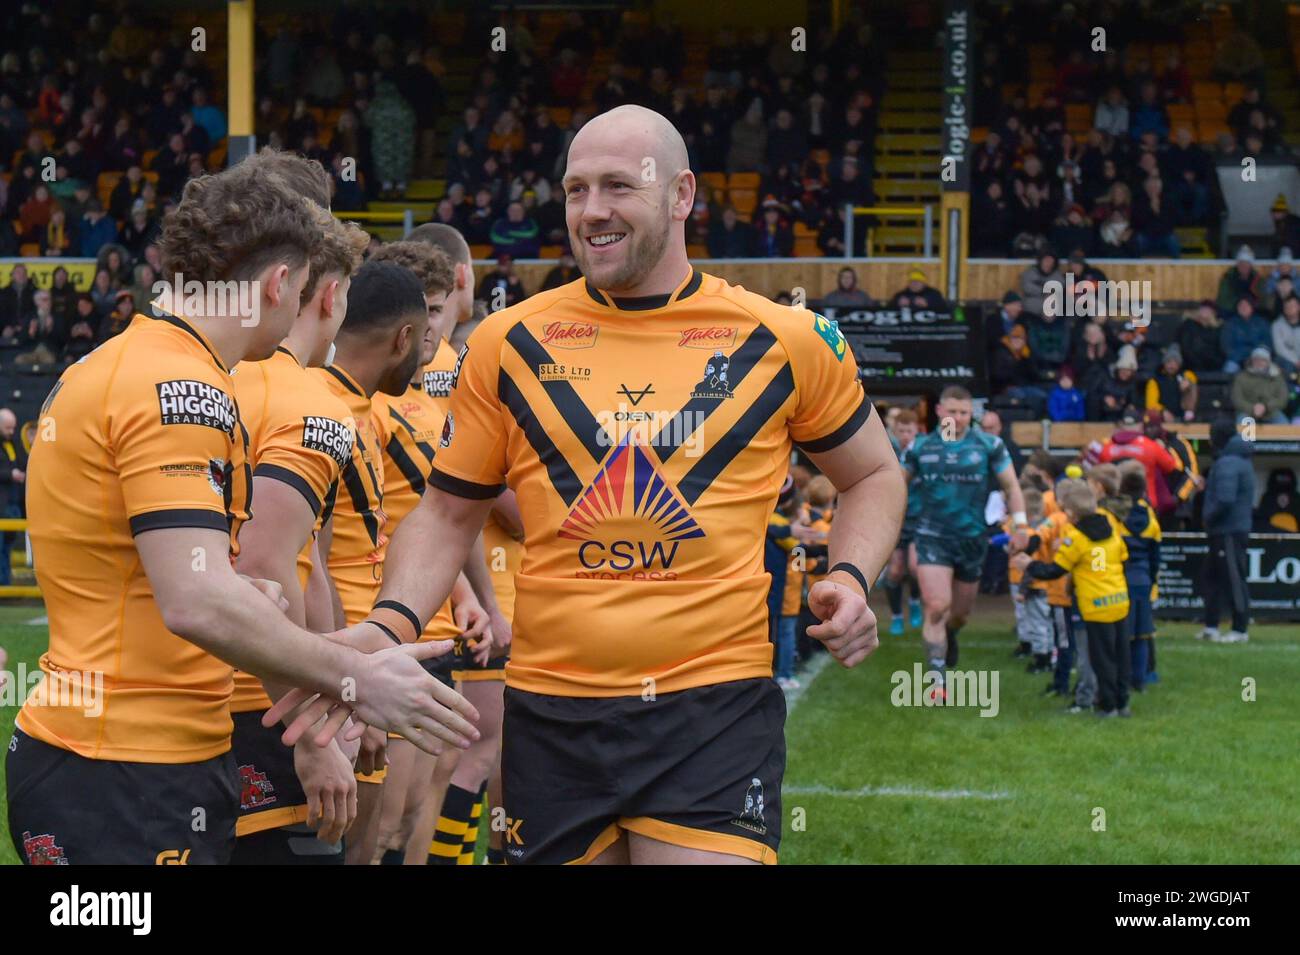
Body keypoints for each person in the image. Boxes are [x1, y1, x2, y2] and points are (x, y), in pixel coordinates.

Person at [320, 104, 905, 866]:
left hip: (714, 709)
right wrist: (385, 628)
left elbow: (874, 473)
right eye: (575, 190)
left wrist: (852, 577)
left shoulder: (785, 339)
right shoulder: (507, 344)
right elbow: (444, 514)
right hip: (552, 717)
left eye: (618, 187)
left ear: (682, 195)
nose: (591, 211)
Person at [6, 161, 471, 866]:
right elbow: (195, 601)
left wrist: (328, 644)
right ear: (282, 284)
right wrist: (356, 678)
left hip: (115, 757)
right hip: (125, 770)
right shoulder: (178, 383)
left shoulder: (123, 364)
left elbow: (179, 580)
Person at [229, 181, 370, 864]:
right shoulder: (310, 403)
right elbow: (266, 567)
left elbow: (305, 566)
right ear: (329, 293)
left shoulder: (208, 375)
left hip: (197, 698)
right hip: (265, 704)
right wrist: (318, 722)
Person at [904, 385, 1027, 699]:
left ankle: (949, 634)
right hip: (932, 536)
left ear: (971, 413)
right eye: (952, 411)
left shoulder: (989, 445)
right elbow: (895, 486)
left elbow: (1012, 487)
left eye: (963, 412)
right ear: (940, 412)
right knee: (936, 605)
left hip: (972, 539)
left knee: (959, 614)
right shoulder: (920, 447)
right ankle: (937, 681)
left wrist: (1020, 525)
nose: (957, 418)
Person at [1013, 479, 1131, 717]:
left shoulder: (1075, 538)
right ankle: (1122, 702)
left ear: (1071, 513)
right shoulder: (1110, 527)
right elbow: (1121, 557)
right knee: (1120, 655)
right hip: (1118, 599)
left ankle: (1107, 706)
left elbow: (1054, 570)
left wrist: (1029, 564)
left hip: (1096, 606)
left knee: (1102, 659)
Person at [1199, 419, 1256, 644]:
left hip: (1228, 530)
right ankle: (1211, 626)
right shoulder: (1236, 459)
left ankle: (1240, 629)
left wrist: (1207, 516)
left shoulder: (1228, 463)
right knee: (1212, 577)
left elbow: (1225, 499)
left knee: (1233, 579)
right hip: (1228, 529)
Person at [1115, 461, 1161, 689]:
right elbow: (1156, 554)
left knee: (1122, 634)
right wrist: (1151, 578)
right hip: (1142, 580)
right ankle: (1140, 679)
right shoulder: (1150, 519)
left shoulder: (1115, 519)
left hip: (1120, 580)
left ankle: (1122, 677)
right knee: (1142, 634)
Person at [885, 408, 923, 635]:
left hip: (920, 519)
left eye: (909, 430)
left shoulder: (923, 452)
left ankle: (915, 602)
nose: (905, 435)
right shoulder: (888, 453)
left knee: (915, 568)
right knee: (895, 572)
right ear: (895, 431)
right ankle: (897, 616)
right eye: (901, 430)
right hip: (896, 519)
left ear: (916, 430)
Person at [0, 408, 27, 586]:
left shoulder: (12, 443)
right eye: (8, 428)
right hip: (2, 505)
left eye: (13, 428)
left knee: (7, 548)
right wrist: (11, 474)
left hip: (13, 504)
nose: (11, 431)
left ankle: (6, 584)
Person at [1231, 346, 1288, 424]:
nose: (1259, 363)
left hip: (1272, 412)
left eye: (1263, 360)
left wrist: (1266, 407)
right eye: (1256, 360)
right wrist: (1252, 408)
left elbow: (1282, 399)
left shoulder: (1277, 377)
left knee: (1284, 426)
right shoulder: (1241, 377)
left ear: (1268, 362)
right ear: (1251, 361)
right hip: (1247, 412)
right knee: (1243, 426)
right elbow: (1237, 399)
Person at [1144, 344, 1198, 422]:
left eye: (1175, 362)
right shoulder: (1155, 380)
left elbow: (1193, 382)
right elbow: (1151, 404)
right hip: (1164, 417)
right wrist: (1163, 411)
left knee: (1191, 387)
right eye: (1169, 362)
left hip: (1183, 414)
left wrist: (1188, 385)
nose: (1171, 365)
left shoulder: (1185, 375)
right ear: (1164, 363)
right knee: (1153, 413)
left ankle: (1189, 415)